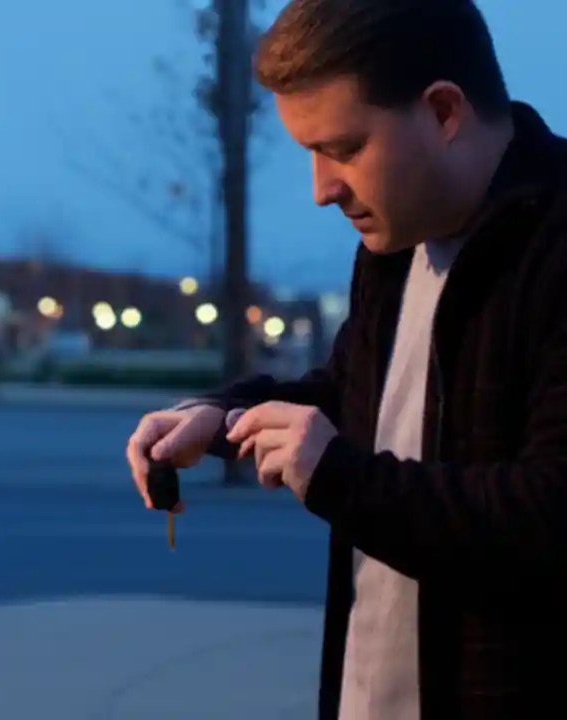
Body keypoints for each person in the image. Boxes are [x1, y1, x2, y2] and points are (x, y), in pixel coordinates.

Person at [125, 1, 567, 718]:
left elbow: (546, 519)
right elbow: (362, 400)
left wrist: (337, 476)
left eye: (345, 148)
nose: (322, 189)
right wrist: (221, 416)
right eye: (309, 153)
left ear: (444, 110)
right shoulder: (393, 241)